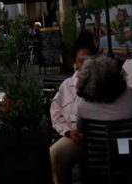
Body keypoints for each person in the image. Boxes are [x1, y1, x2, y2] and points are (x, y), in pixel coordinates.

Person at [49, 32, 97, 184]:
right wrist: (68, 132)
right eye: (81, 60)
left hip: (99, 137)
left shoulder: (104, 81)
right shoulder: (67, 86)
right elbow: (56, 114)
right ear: (76, 62)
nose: (85, 64)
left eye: (89, 60)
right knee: (54, 154)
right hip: (75, 139)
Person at [75, 55, 132, 122]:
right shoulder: (130, 94)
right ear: (114, 73)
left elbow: (80, 130)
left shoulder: (82, 106)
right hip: (127, 136)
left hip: (95, 137)